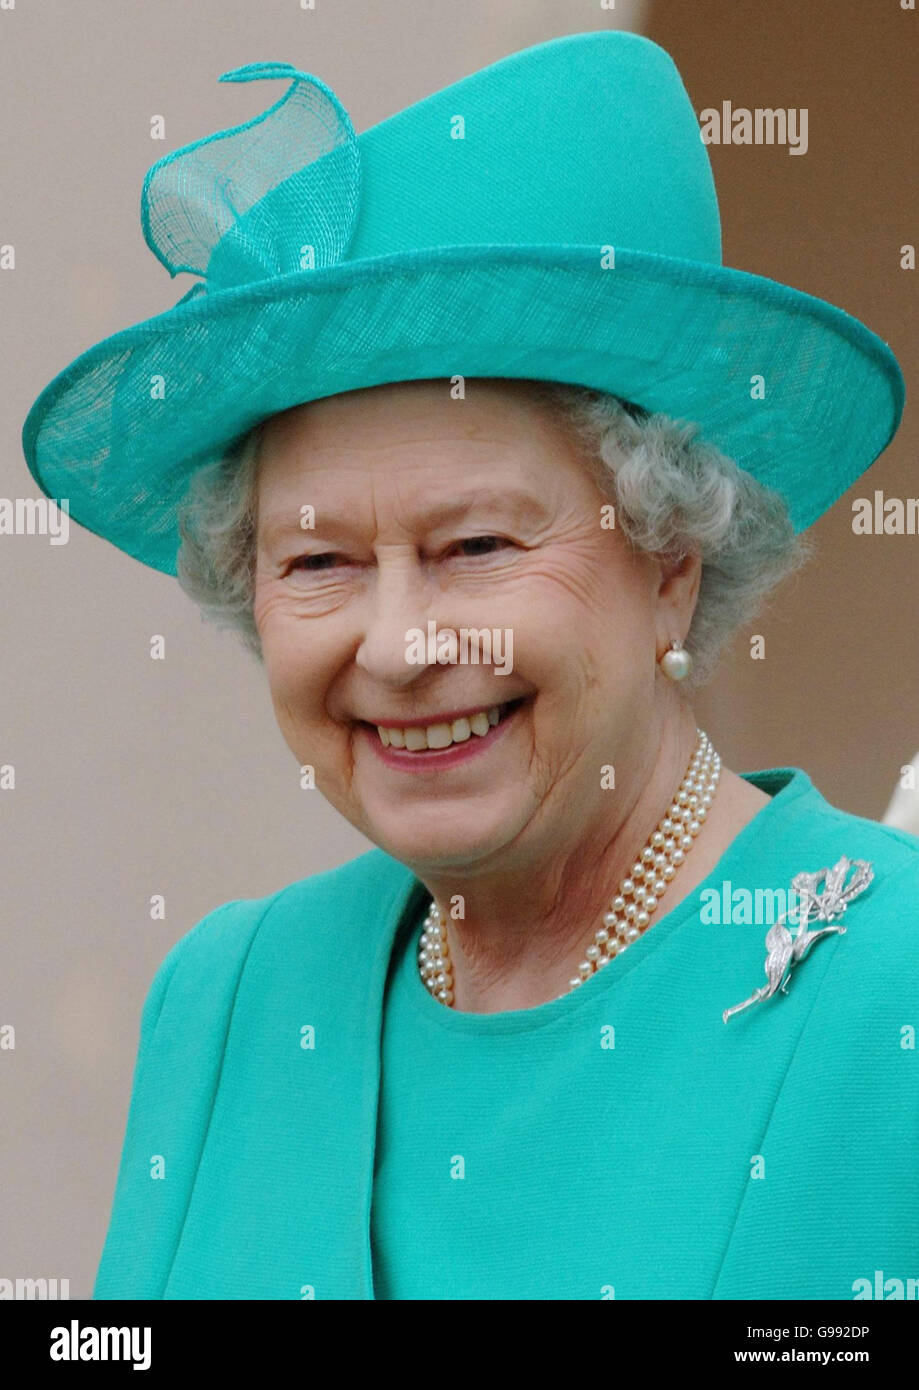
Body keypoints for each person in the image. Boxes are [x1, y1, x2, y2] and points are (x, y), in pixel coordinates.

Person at [22, 30, 915, 1300]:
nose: (397, 647)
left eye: (476, 544)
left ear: (673, 560)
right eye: (319, 563)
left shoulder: (890, 989)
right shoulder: (226, 1002)